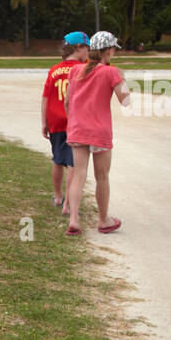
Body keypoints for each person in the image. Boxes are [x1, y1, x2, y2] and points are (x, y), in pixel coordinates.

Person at [63, 31, 131, 236]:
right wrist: (123, 78)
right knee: (102, 177)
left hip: (77, 129)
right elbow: (126, 101)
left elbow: (67, 101)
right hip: (99, 131)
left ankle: (74, 219)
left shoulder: (75, 71)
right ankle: (103, 220)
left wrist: (72, 121)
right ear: (108, 50)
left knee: (78, 175)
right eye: (113, 50)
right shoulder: (111, 72)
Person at [41, 31, 89, 214]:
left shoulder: (54, 70)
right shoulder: (82, 69)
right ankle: (68, 203)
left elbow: (45, 97)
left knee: (57, 160)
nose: (88, 53)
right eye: (87, 48)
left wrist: (44, 122)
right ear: (78, 47)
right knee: (73, 164)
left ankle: (58, 196)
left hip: (55, 120)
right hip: (74, 120)